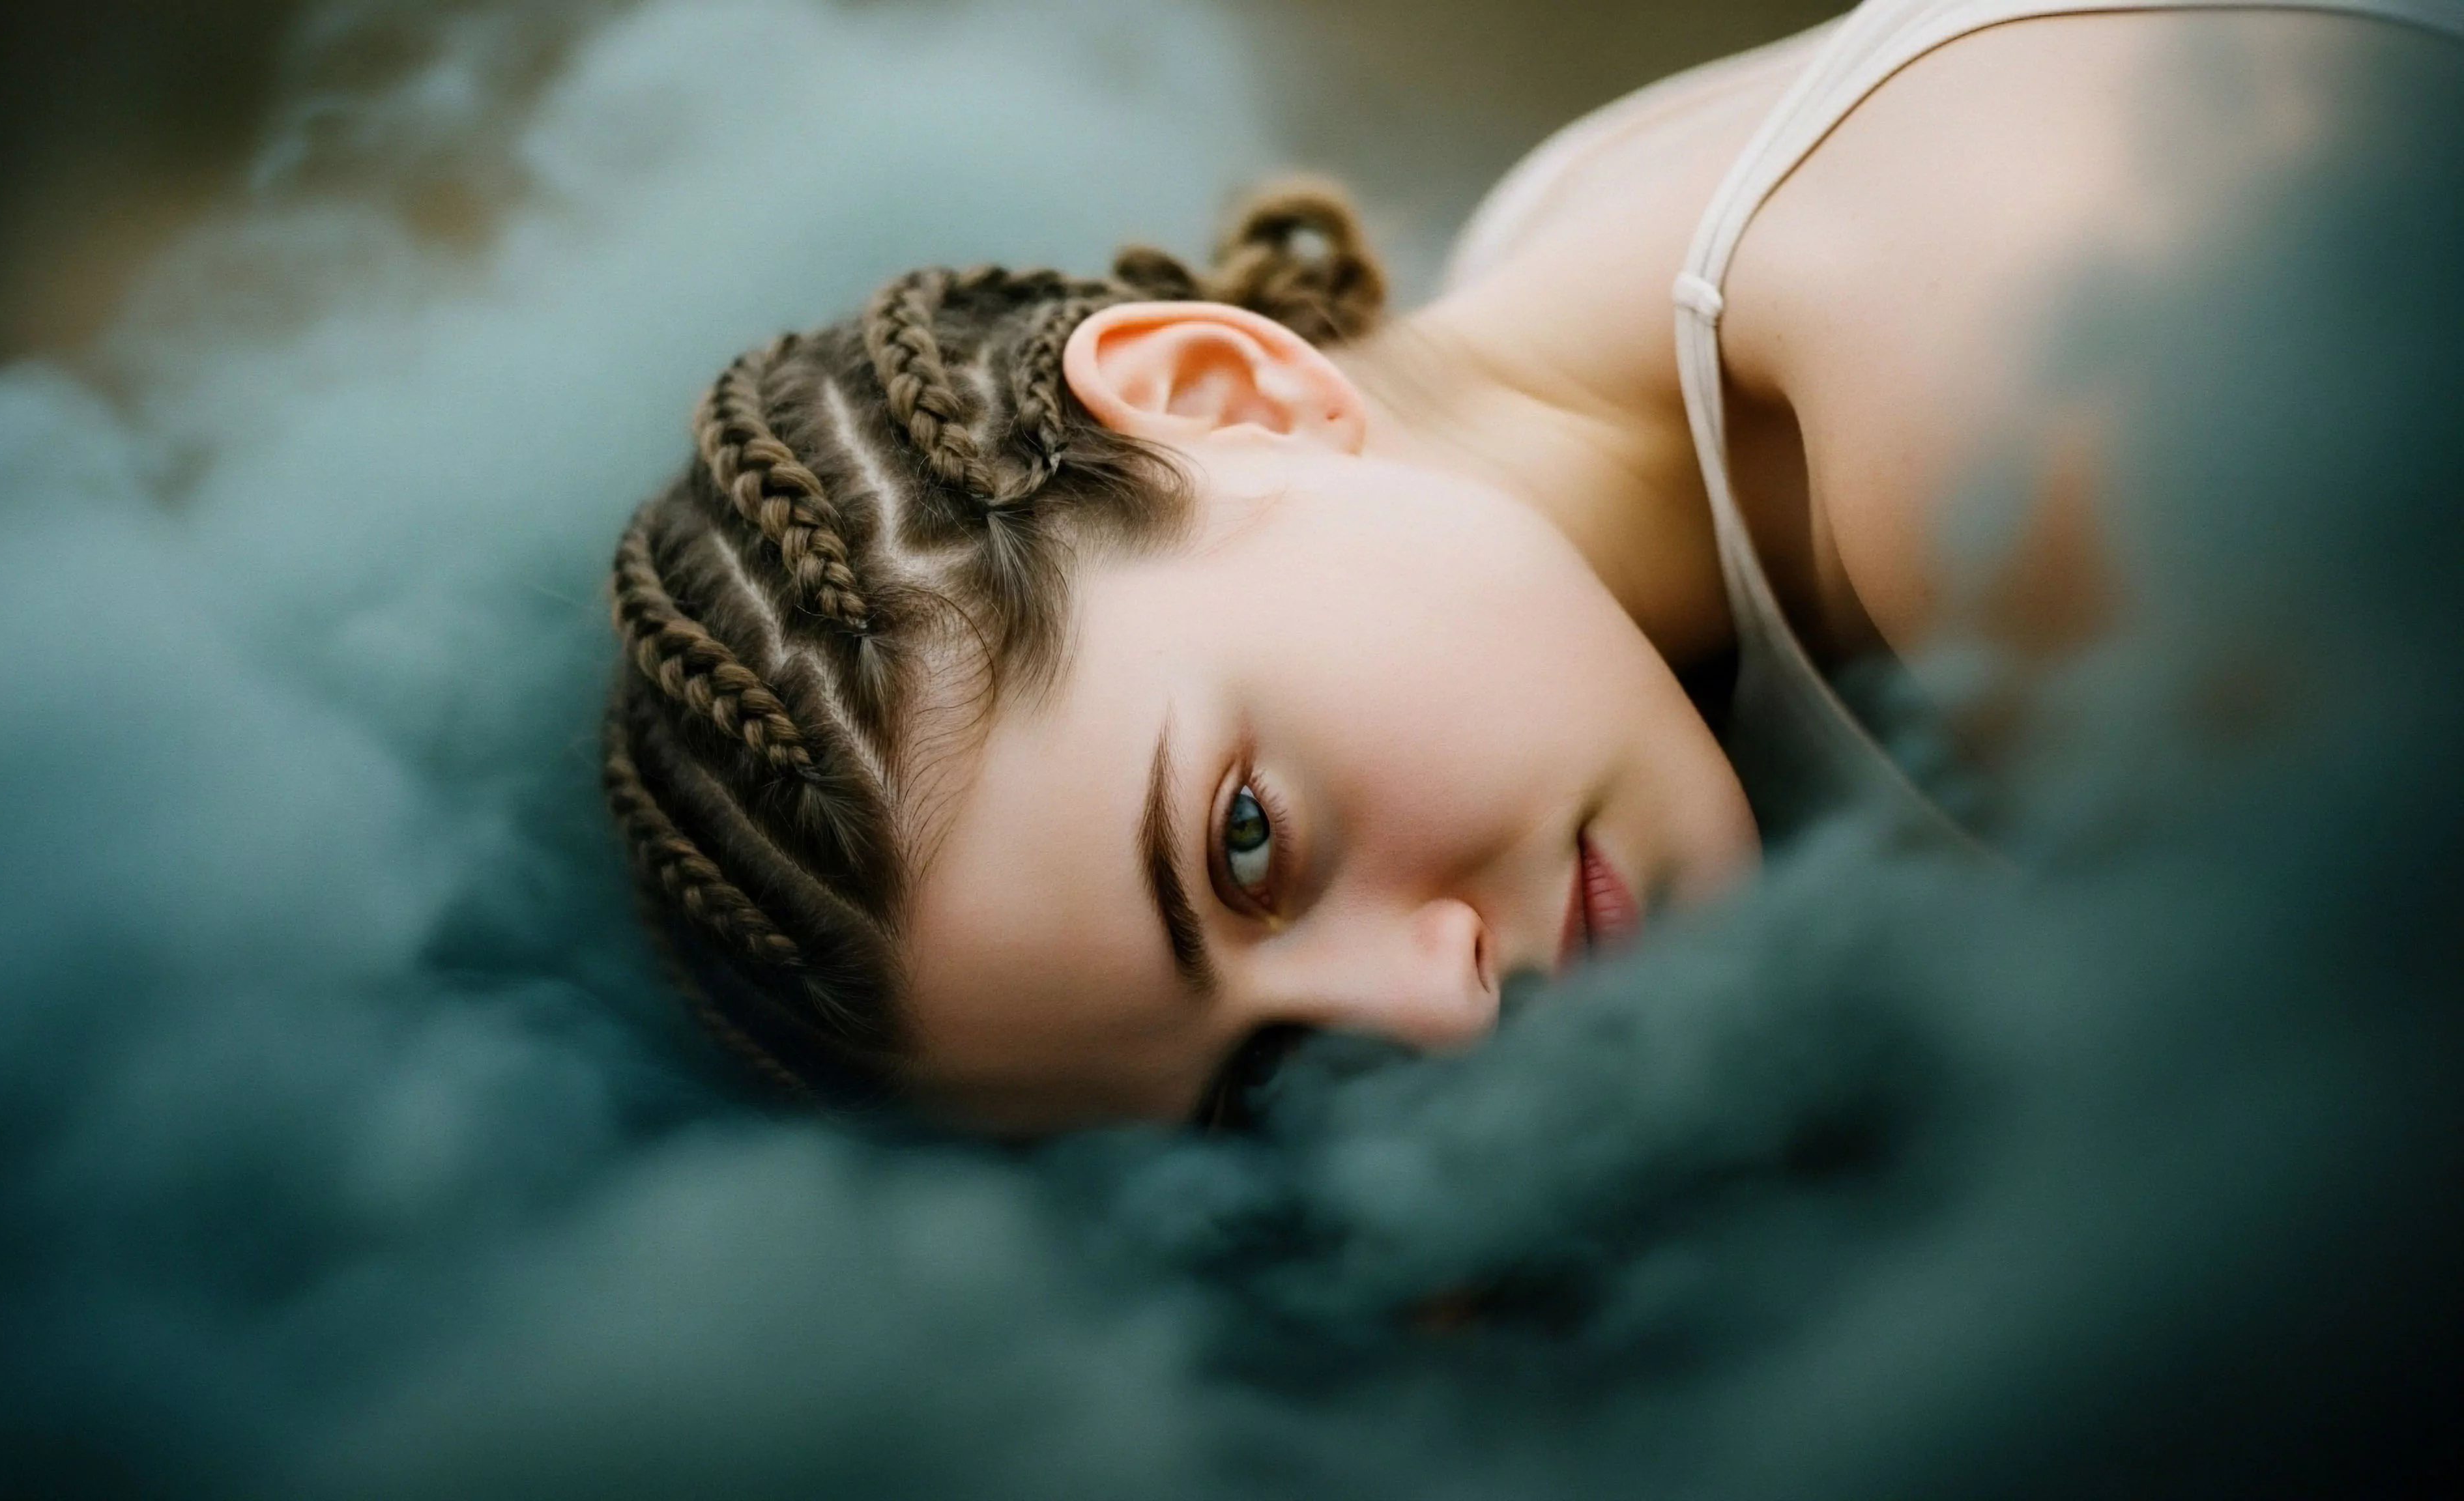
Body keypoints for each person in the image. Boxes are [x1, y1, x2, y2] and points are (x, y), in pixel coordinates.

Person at [600, 0, 2464, 1135]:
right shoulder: (1547, 266)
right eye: (1277, 1085)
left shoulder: (2038, 420)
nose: (1434, 1017)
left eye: (1247, 841)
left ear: (1222, 389)